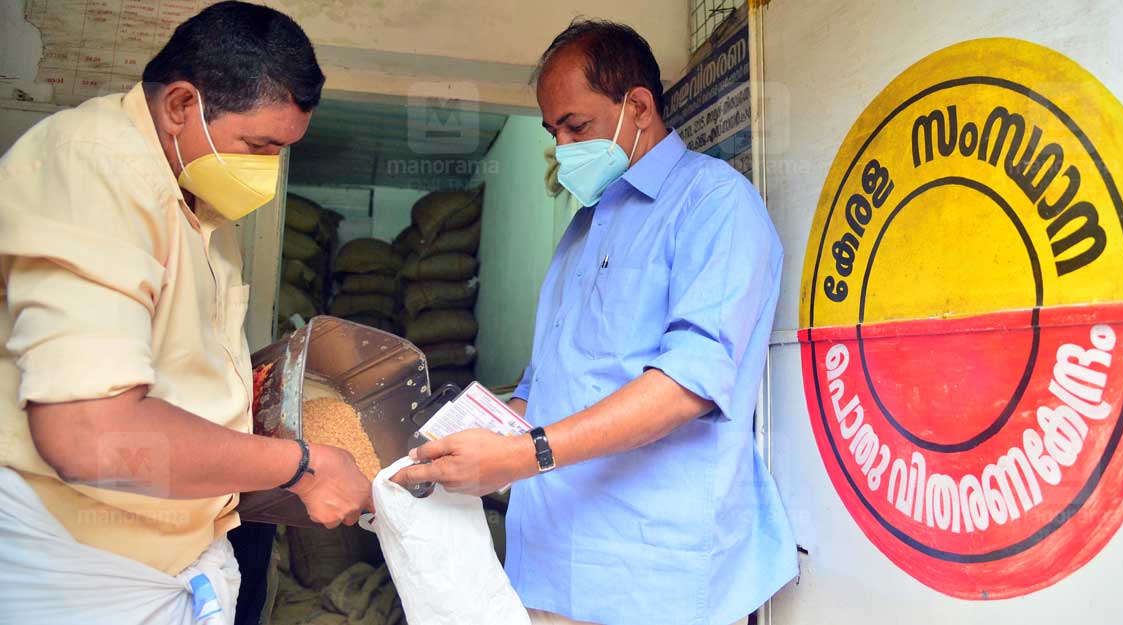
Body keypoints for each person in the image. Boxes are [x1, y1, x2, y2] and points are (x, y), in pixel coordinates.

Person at [392, 19, 799, 625]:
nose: (562, 147)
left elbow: (687, 386)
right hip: (551, 564)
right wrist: (459, 441)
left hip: (652, 577)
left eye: (575, 126)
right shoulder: (585, 226)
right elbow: (544, 386)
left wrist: (520, 456)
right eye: (553, 132)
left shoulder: (715, 203)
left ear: (638, 107)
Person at [0, 2, 372, 623]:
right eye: (259, 146)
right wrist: (303, 468)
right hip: (80, 566)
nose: (268, 170)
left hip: (167, 557)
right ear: (180, 105)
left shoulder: (196, 201)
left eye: (281, 151)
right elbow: (88, 434)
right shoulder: (95, 166)